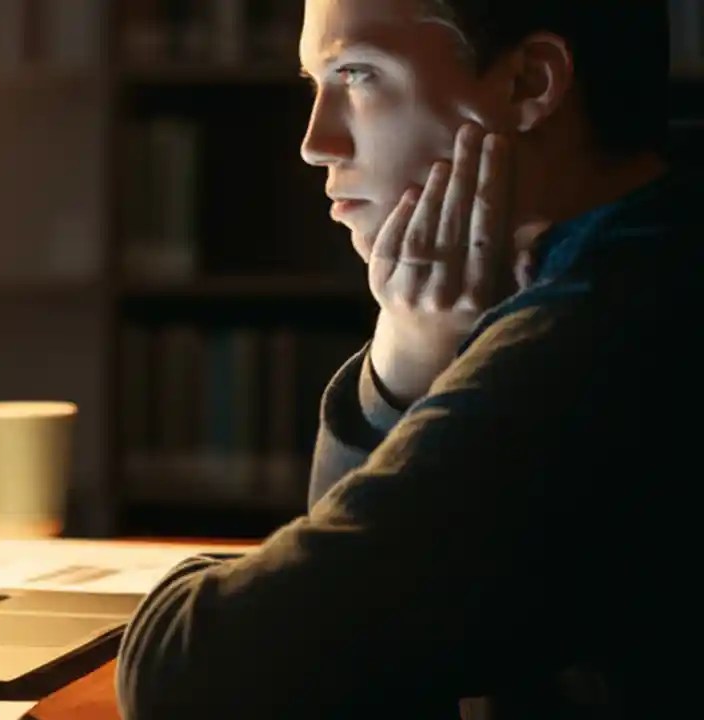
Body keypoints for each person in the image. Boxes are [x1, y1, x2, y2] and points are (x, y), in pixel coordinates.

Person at [115, 1, 700, 718]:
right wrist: (406, 354)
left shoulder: (604, 330)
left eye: (358, 74)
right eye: (314, 84)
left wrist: (217, 579)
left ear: (530, 85)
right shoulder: (649, 236)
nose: (315, 142)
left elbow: (194, 669)